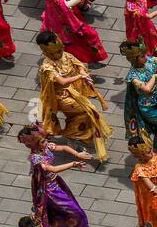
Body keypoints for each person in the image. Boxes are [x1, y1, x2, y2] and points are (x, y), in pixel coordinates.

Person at [36, 32, 110, 163]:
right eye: (57, 52)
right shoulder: (47, 67)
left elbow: (78, 64)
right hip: (61, 97)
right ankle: (71, 135)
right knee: (85, 111)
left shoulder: (65, 55)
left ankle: (75, 137)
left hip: (75, 92)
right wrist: (80, 77)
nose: (60, 54)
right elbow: (62, 82)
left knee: (84, 113)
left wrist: (83, 73)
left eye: (60, 50)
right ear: (47, 52)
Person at [21, 122, 92, 227]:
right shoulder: (36, 158)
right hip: (48, 190)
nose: (46, 143)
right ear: (34, 143)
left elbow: (63, 148)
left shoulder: (45, 147)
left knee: (56, 213)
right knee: (72, 210)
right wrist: (74, 164)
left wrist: (78, 154)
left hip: (55, 184)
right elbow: (53, 169)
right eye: (43, 141)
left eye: (45, 140)